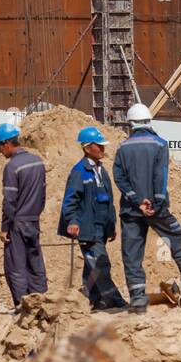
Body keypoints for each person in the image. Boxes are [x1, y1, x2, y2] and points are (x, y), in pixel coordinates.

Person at [112, 102, 181, 312]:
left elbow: (119, 177)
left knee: (132, 253)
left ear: (131, 124)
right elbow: (160, 176)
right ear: (148, 121)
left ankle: (137, 299)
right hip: (157, 208)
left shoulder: (122, 147)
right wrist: (156, 202)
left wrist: (137, 200)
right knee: (178, 239)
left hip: (131, 209)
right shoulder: (159, 144)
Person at [58, 126, 127, 312]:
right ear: (87, 148)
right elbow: (70, 199)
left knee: (92, 266)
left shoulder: (101, 171)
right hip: (87, 227)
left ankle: (91, 300)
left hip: (101, 227)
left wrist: (111, 226)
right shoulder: (79, 171)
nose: (103, 150)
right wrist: (72, 221)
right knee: (100, 263)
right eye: (99, 146)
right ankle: (114, 300)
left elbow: (109, 200)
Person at [0, 122, 47, 309]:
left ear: (7, 143)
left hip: (17, 223)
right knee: (35, 264)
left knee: (15, 267)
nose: (0, 151)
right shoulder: (37, 161)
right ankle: (40, 302)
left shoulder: (12, 166)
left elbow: (9, 201)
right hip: (33, 220)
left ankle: (23, 307)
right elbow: (42, 194)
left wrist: (5, 228)